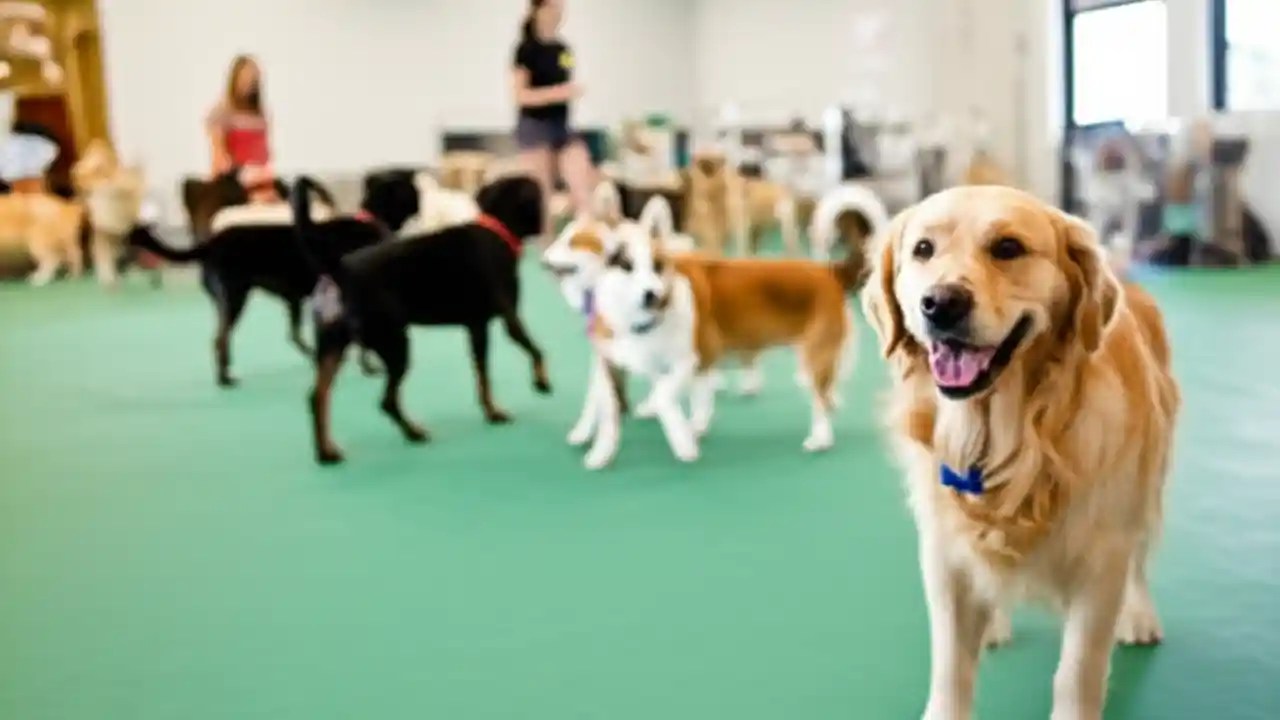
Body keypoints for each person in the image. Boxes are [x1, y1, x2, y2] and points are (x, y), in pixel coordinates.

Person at [511, 0, 594, 236]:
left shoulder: (563, 50)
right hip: (534, 126)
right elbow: (521, 95)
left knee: (581, 183)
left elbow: (565, 81)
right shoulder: (525, 50)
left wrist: (569, 92)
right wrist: (558, 93)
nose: (558, 12)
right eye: (553, 7)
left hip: (561, 126)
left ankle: (586, 239)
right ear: (539, 10)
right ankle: (546, 250)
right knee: (542, 196)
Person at [205, 54, 278, 203]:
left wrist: (261, 176)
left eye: (253, 78)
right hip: (233, 178)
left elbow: (265, 153)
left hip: (259, 176)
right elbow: (220, 159)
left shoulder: (260, 115)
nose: (250, 83)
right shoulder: (222, 112)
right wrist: (244, 174)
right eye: (246, 77)